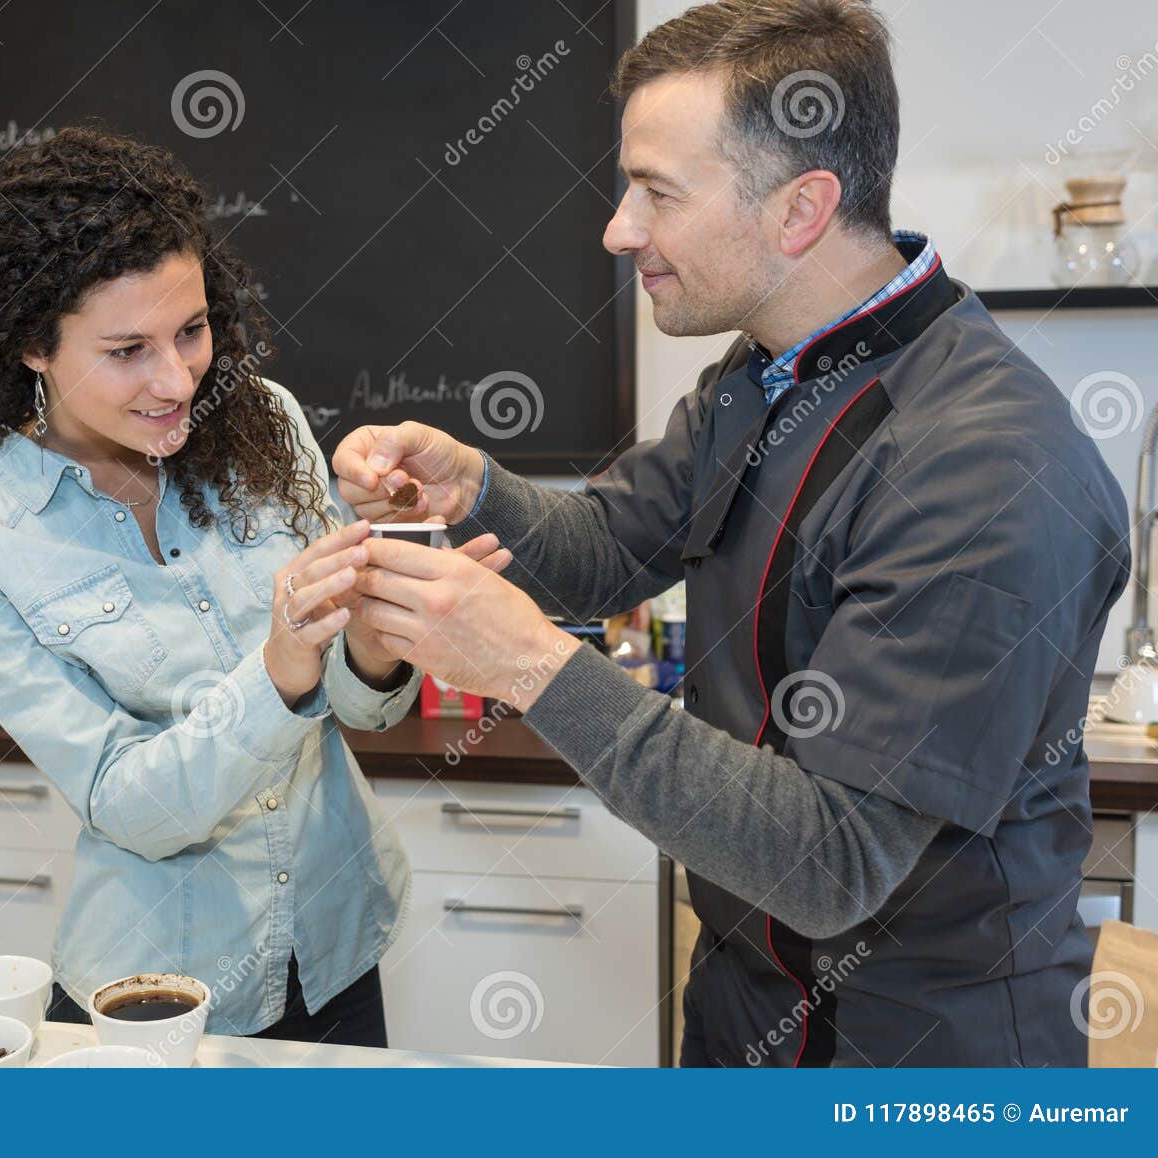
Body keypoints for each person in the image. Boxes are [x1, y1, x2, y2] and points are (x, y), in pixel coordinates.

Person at [332, 0, 1129, 1066]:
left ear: (800, 209)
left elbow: (833, 864)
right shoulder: (764, 373)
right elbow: (606, 552)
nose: (619, 229)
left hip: (921, 1056)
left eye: (657, 192)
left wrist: (529, 664)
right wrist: (470, 484)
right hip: (742, 1013)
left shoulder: (989, 465)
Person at [0, 124, 513, 1047]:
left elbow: (363, 711)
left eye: (190, 331)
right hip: (158, 990)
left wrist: (379, 635)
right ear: (32, 343)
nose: (176, 379)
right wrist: (277, 668)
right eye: (127, 350)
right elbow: (128, 807)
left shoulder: (262, 421)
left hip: (335, 939)